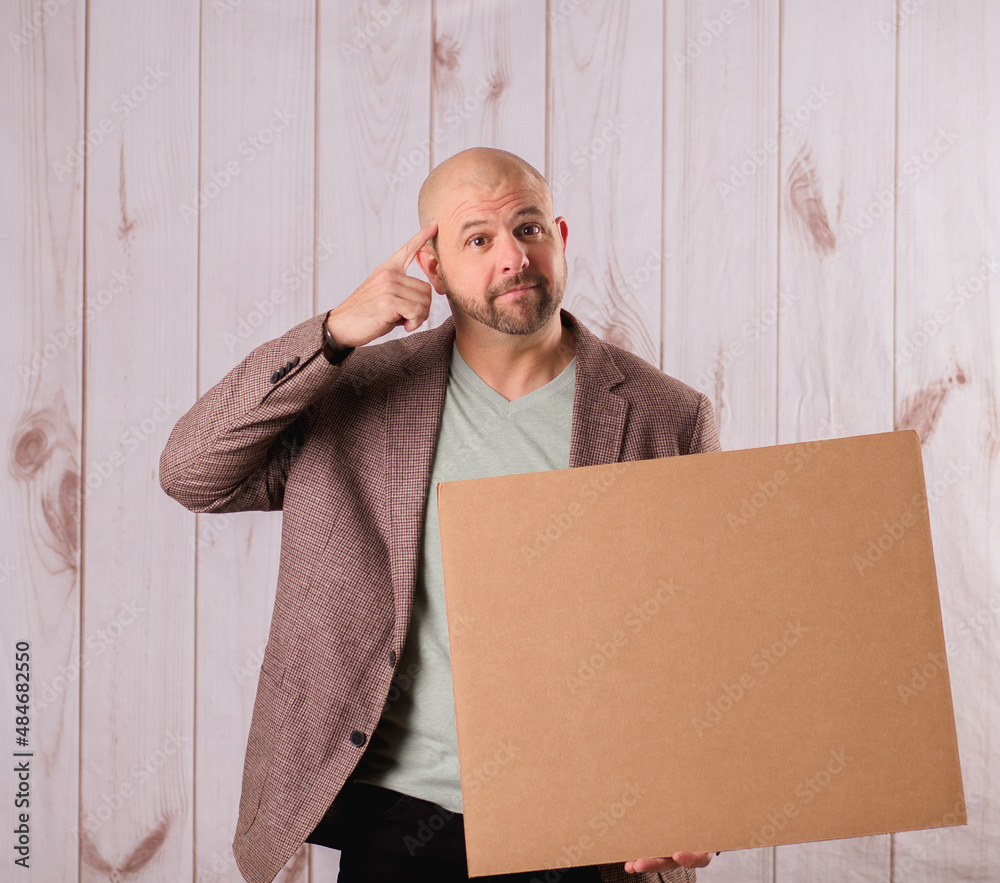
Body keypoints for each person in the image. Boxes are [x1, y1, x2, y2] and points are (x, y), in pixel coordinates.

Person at [160, 148, 719, 883]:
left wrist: (700, 793)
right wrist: (332, 334)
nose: (513, 256)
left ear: (560, 235)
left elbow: (701, 636)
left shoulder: (666, 414)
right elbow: (190, 471)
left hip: (593, 826)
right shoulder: (357, 395)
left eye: (528, 228)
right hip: (401, 821)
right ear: (433, 267)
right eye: (478, 239)